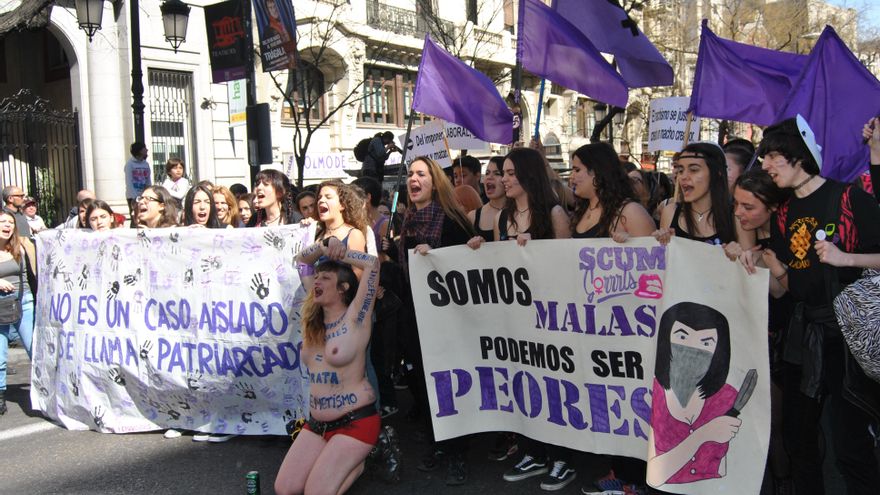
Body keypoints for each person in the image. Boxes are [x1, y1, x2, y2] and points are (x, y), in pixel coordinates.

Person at [750, 115, 880, 495]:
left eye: (774, 156)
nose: (766, 165)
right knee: (800, 440)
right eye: (764, 158)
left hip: (849, 342)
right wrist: (763, 266)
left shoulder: (849, 198)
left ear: (800, 156)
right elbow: (786, 290)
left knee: (850, 445)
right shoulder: (785, 213)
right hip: (803, 339)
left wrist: (847, 259)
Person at [274, 237, 381, 495]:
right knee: (285, 488)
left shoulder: (357, 317)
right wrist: (324, 247)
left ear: (343, 288)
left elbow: (373, 264)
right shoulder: (316, 321)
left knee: (315, 492)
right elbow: (301, 260)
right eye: (316, 277)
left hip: (355, 423)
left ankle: (356, 462)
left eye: (325, 279)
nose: (317, 282)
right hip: (317, 425)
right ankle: (352, 466)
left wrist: (342, 254)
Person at [647, 302, 740, 487]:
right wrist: (702, 435)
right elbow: (654, 477)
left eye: (706, 342)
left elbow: (728, 471)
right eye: (682, 336)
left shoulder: (727, 397)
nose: (692, 349)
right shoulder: (651, 391)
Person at [654, 142, 752, 248]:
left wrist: (737, 256)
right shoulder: (670, 212)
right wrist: (662, 244)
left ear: (717, 172)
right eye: (681, 170)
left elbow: (749, 260)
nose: (683, 177)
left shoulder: (738, 216)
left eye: (694, 170)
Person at [569, 143, 655, 241]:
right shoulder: (582, 209)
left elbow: (651, 252)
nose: (572, 176)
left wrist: (630, 243)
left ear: (596, 172)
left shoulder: (631, 212)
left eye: (577, 170)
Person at [0, 211, 37, 415]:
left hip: (24, 302)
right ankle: (0, 395)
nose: (7, 225)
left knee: (35, 349)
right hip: (0, 305)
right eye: (2, 222)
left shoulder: (20, 247)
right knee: (0, 355)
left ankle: (45, 390)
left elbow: (32, 275)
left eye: (10, 222)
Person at [467, 156, 505, 243]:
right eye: (487, 173)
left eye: (497, 173)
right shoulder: (472, 216)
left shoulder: (519, 213)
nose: (489, 177)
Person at [124, 142, 152, 226]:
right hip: (133, 196)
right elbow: (129, 182)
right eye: (144, 148)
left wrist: (149, 193)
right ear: (139, 150)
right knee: (135, 216)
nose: (146, 150)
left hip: (144, 195)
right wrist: (135, 197)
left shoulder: (145, 164)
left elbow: (148, 180)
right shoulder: (130, 164)